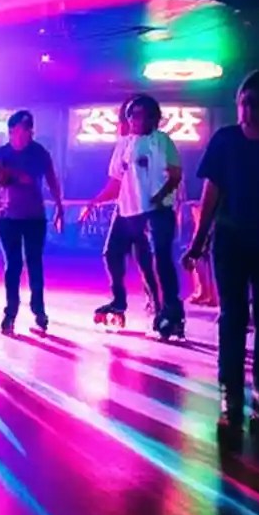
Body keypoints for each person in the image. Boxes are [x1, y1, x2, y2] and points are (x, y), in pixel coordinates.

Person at [184, 71, 259, 435]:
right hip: (232, 240)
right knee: (233, 317)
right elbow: (211, 193)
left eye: (251, 103)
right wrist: (198, 240)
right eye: (242, 102)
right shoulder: (225, 141)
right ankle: (230, 393)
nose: (245, 110)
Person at [81, 95, 184, 335]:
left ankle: (170, 311)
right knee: (111, 254)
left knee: (157, 263)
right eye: (132, 115)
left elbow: (175, 174)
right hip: (127, 212)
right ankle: (118, 301)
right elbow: (116, 182)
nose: (136, 119)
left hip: (156, 213)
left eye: (141, 114)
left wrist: (159, 198)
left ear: (153, 117)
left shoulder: (161, 141)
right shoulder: (124, 144)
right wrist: (94, 201)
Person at [0, 110, 65, 335]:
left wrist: (59, 204)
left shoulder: (39, 153)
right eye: (23, 129)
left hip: (33, 216)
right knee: (12, 264)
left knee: (34, 262)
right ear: (12, 131)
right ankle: (10, 311)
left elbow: (49, 177)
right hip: (7, 217)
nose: (27, 133)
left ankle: (38, 309)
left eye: (29, 129)